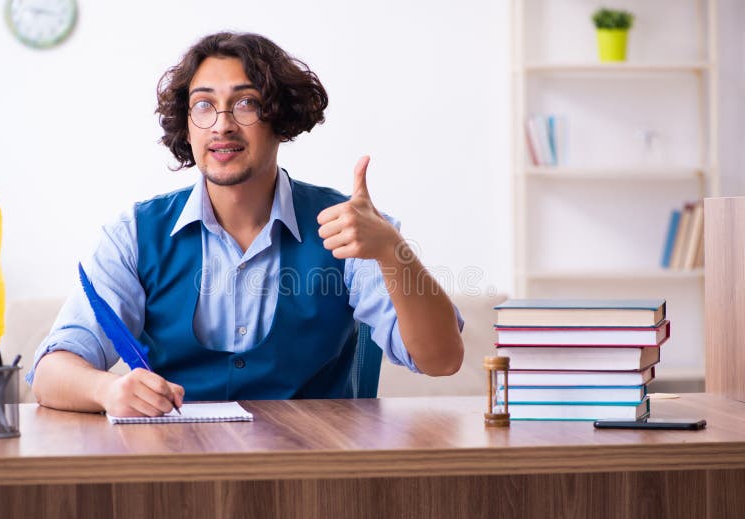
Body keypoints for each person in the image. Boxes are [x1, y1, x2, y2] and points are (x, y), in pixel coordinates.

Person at [28, 32, 464, 417]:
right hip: (173, 468)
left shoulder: (350, 227)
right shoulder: (135, 235)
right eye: (204, 105)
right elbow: (50, 372)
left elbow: (442, 360)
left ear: (281, 117)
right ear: (187, 126)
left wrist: (392, 251)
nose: (222, 125)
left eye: (246, 104)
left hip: (319, 468)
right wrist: (107, 390)